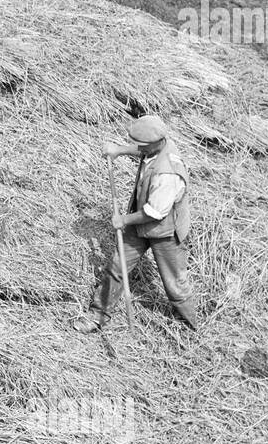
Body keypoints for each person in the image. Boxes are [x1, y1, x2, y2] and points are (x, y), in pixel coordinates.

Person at [73, 113, 199, 333]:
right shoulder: (157, 146)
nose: (138, 148)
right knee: (116, 267)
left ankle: (190, 325)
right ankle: (97, 316)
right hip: (140, 221)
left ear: (155, 143)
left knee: (175, 284)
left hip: (165, 230)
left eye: (141, 146)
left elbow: (154, 212)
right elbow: (143, 151)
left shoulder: (168, 171)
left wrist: (123, 220)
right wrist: (119, 150)